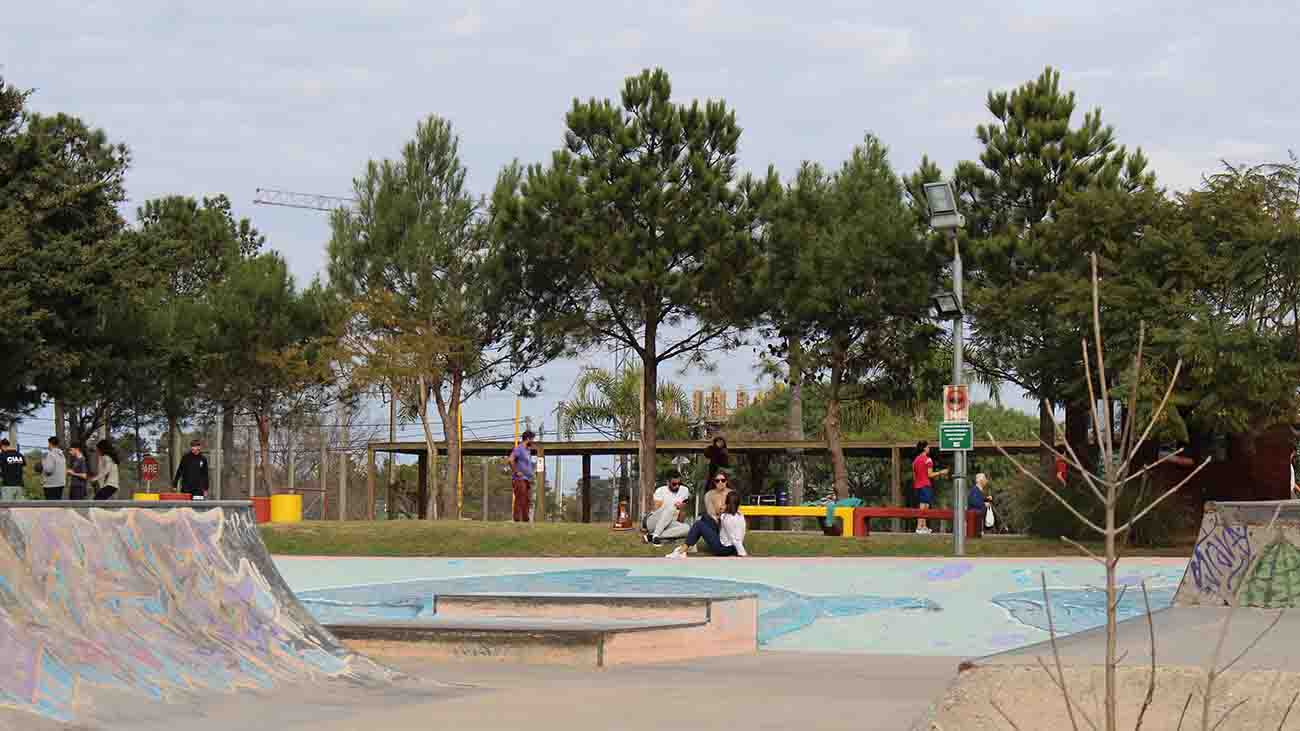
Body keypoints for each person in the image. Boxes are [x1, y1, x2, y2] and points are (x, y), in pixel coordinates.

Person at [668, 490, 747, 557]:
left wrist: (742, 553)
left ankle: (682, 550)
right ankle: (690, 543)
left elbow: (735, 538)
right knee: (706, 517)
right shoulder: (740, 515)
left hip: (723, 549)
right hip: (729, 544)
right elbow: (737, 532)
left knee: (699, 524)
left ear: (727, 503)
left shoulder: (727, 518)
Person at [912, 441, 948, 534]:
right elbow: (930, 474)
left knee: (922, 505)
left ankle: (923, 526)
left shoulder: (915, 460)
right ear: (924, 448)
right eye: (928, 447)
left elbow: (915, 474)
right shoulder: (928, 460)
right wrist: (941, 472)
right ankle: (920, 527)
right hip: (926, 485)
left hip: (917, 486)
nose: (929, 449)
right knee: (925, 507)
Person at [643, 475, 691, 545]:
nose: (677, 486)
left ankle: (652, 536)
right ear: (668, 483)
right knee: (671, 507)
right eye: (674, 484)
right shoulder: (660, 490)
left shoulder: (684, 490)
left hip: (670, 523)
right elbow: (657, 510)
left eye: (679, 484)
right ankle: (656, 534)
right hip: (653, 521)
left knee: (687, 528)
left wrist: (682, 508)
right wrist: (673, 508)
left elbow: (681, 515)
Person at [509, 430, 536, 522]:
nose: (533, 441)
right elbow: (511, 459)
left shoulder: (527, 451)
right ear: (528, 439)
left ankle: (525, 519)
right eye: (532, 439)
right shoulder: (519, 448)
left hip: (527, 479)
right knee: (520, 498)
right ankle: (517, 519)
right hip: (519, 479)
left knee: (527, 499)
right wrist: (516, 472)